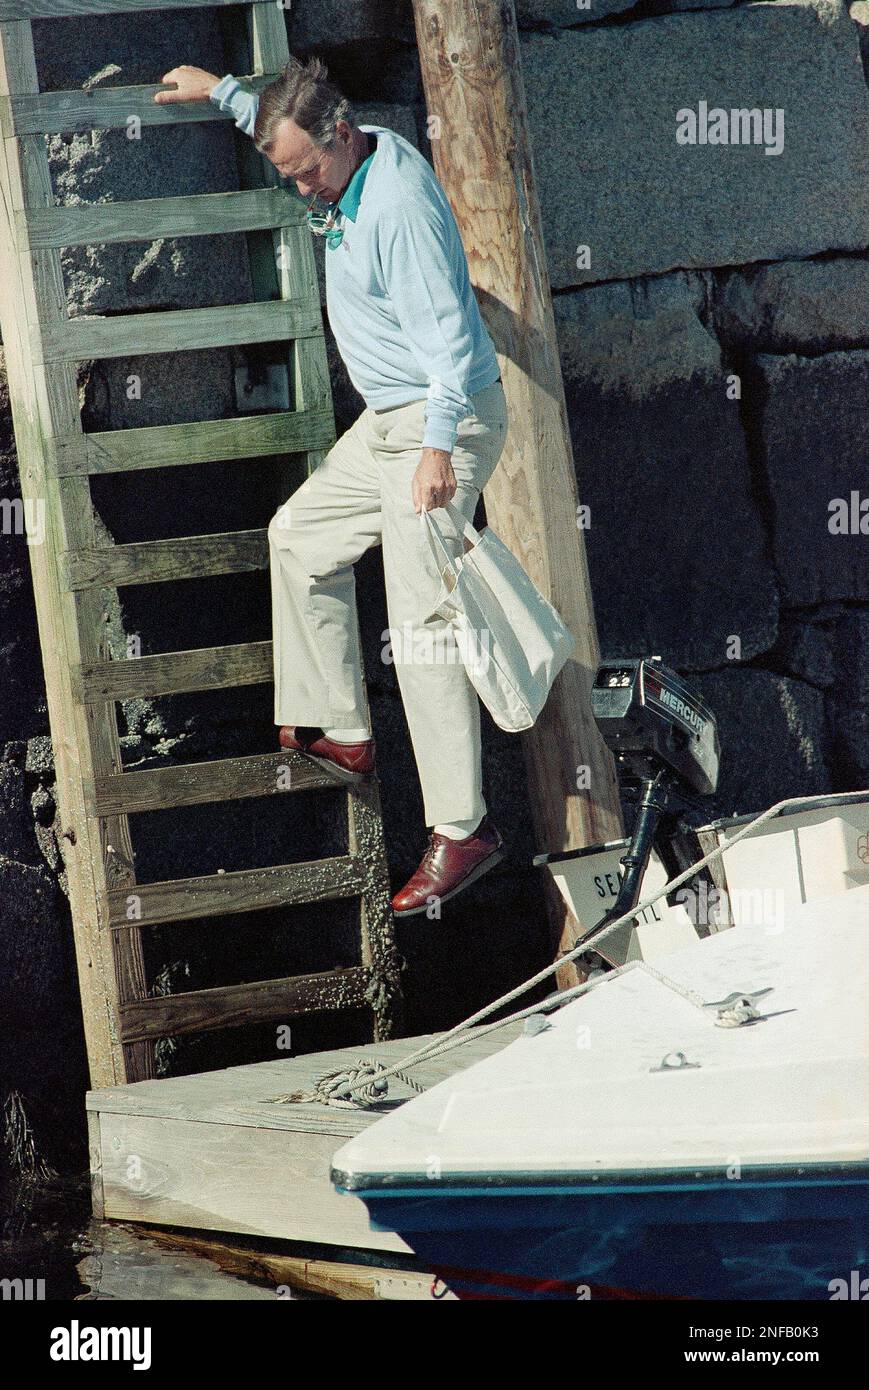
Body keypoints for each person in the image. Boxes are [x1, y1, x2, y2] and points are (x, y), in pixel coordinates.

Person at [154, 56, 509, 916]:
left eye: (307, 170)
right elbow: (287, 128)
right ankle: (347, 732)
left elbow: (452, 343)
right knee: (298, 537)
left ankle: (462, 830)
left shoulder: (395, 210)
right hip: (386, 425)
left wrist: (434, 453)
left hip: (438, 424)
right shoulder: (346, 153)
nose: (303, 187)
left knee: (420, 625)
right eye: (288, 172)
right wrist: (227, 94)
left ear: (341, 136)